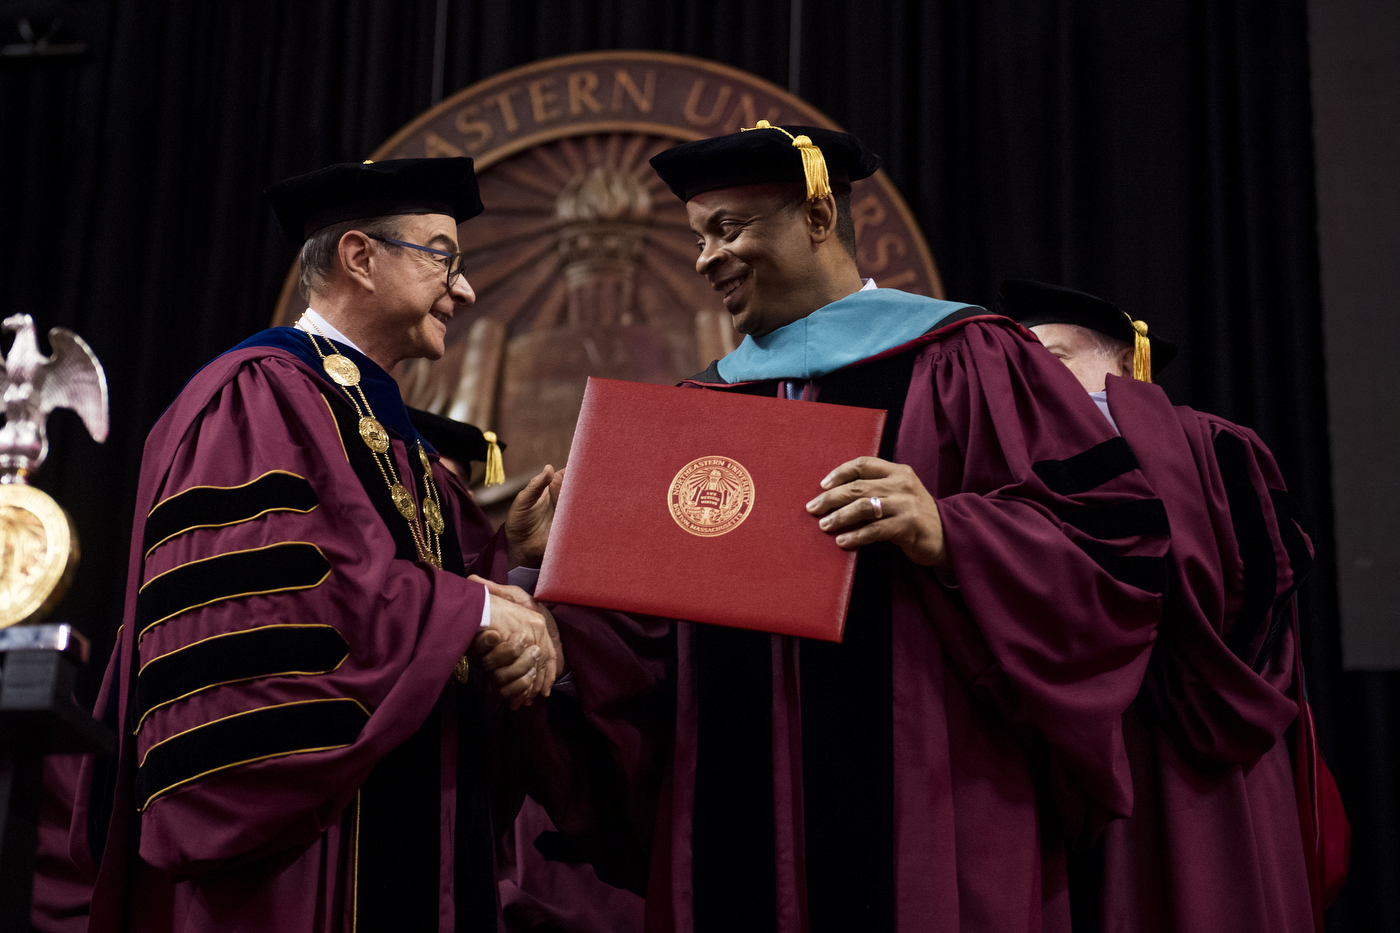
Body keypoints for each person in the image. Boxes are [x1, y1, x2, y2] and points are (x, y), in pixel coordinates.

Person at [542, 123, 1171, 933]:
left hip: (929, 795)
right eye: (698, 237)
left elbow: (1114, 540)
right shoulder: (700, 407)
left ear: (817, 215)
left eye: (728, 229)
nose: (705, 258)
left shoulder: (972, 358)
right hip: (734, 805)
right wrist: (562, 575)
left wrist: (950, 531)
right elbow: (652, 650)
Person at [70, 157, 563, 933]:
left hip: (420, 844)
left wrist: (512, 565)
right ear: (361, 258)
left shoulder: (403, 440)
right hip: (299, 866)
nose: (464, 291)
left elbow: (410, 600)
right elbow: (280, 612)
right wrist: (473, 607)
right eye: (444, 256)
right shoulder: (255, 396)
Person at [998, 279, 1328, 933]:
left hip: (1199, 753)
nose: (1037, 381)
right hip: (1077, 758)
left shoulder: (1215, 446)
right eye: (1023, 368)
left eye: (1056, 359)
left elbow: (1263, 582)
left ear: (1125, 363)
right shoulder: (1015, 471)